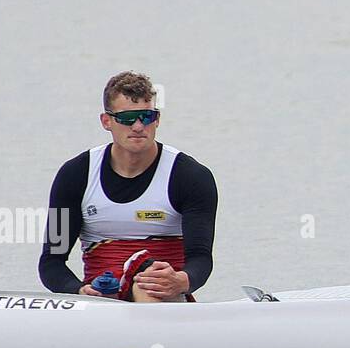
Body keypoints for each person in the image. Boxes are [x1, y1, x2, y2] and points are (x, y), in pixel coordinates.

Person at [39, 71, 218, 302]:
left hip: (162, 295)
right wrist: (77, 291)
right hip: (100, 299)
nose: (137, 126)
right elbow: (51, 261)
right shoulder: (74, 175)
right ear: (106, 121)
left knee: (147, 283)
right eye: (127, 118)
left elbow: (201, 259)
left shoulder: (191, 177)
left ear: (158, 120)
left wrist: (182, 280)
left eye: (146, 116)